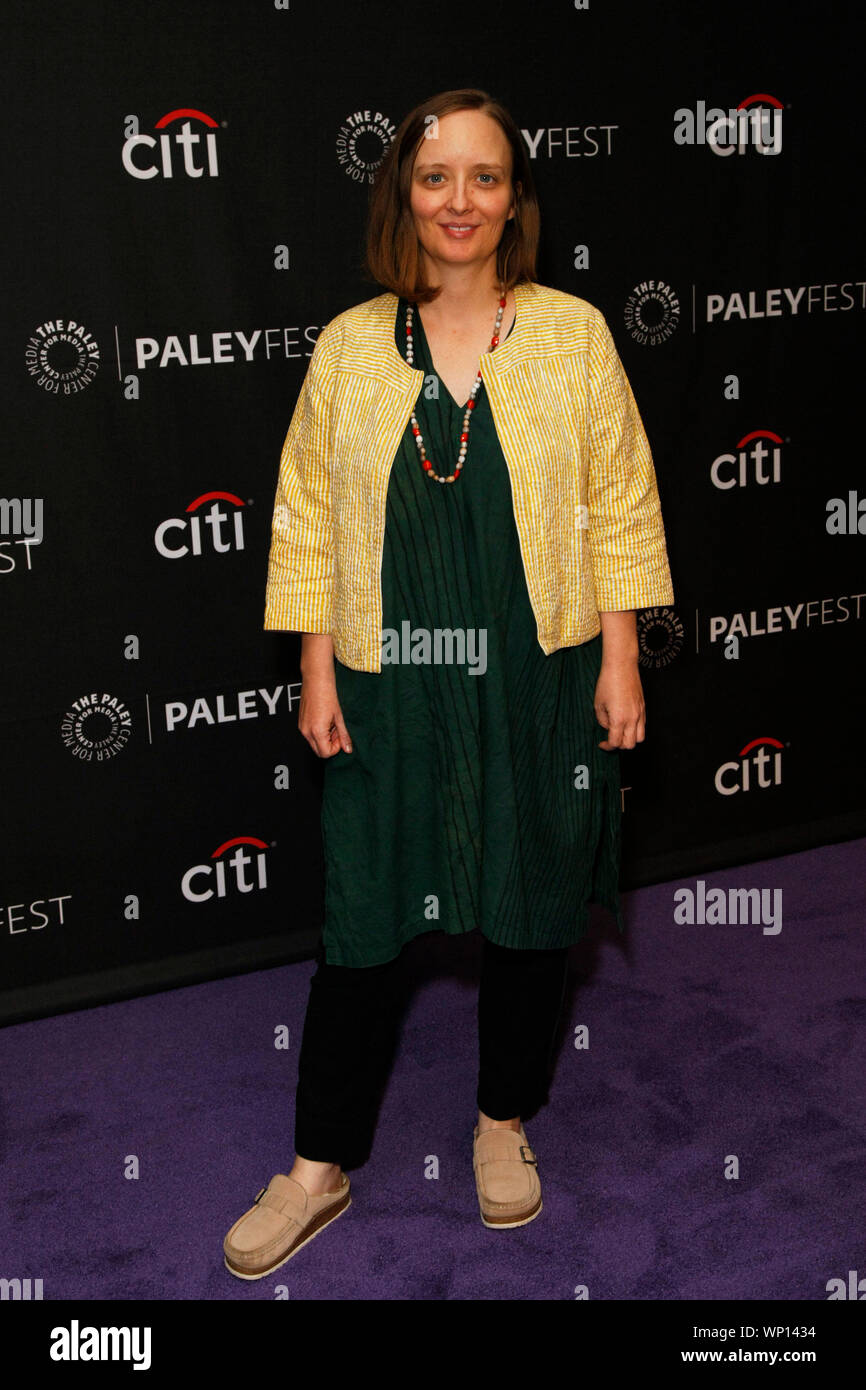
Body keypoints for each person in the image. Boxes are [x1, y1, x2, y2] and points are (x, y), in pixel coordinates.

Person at [223, 88, 674, 1280]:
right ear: (402, 198)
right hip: (390, 676)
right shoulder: (347, 346)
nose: (459, 201)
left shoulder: (573, 335)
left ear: (513, 198)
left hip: (539, 667)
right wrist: (315, 669)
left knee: (530, 903)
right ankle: (319, 1164)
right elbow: (308, 520)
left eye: (484, 178)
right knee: (365, 919)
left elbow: (618, 497)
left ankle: (498, 1120)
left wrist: (620, 657)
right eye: (436, 179)